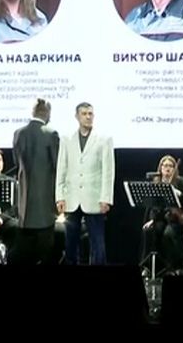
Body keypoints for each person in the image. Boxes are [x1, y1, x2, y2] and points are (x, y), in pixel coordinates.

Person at [56, 102, 115, 265]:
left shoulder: (104, 139)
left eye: (90, 114)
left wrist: (106, 198)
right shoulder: (66, 139)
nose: (88, 117)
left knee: (97, 243)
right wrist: (59, 196)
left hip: (94, 198)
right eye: (84, 114)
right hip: (72, 197)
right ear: (77, 116)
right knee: (70, 244)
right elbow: (62, 168)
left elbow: (108, 171)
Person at [9, 99, 60, 265]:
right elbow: (57, 166)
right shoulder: (51, 134)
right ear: (48, 113)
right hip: (45, 203)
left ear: (33, 112)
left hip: (24, 204)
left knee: (24, 251)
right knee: (46, 250)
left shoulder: (18, 133)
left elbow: (17, 164)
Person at [142, 155, 183, 274]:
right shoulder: (157, 183)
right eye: (165, 166)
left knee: (168, 233)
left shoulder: (181, 182)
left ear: (174, 168)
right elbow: (154, 206)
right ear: (160, 168)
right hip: (161, 218)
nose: (167, 169)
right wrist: (152, 220)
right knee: (150, 230)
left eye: (171, 166)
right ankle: (149, 267)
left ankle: (174, 266)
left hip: (176, 219)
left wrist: (179, 194)